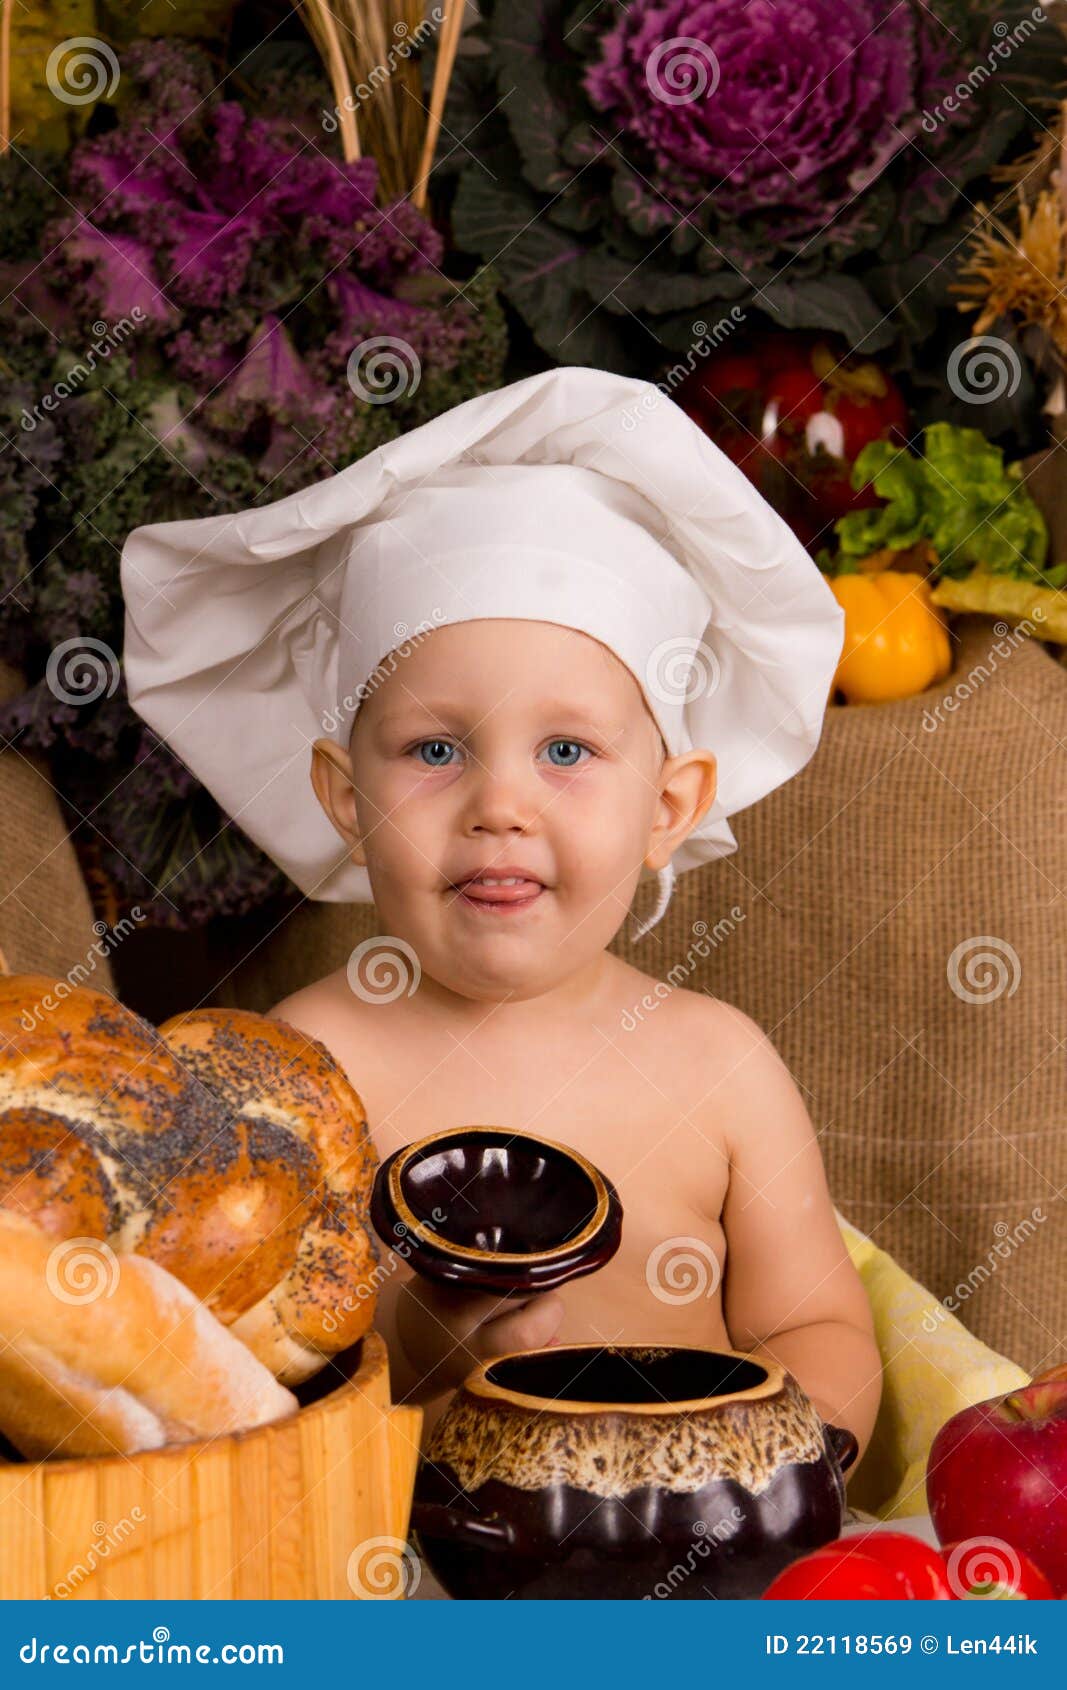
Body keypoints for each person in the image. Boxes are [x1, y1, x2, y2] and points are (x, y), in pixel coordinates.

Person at [121, 364, 882, 1461]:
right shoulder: (303, 1068)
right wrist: (426, 1343)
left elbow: (813, 1325)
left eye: (566, 751)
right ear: (344, 795)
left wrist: (782, 1465)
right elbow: (242, 1376)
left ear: (667, 807)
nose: (500, 807)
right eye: (434, 751)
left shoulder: (720, 1065)